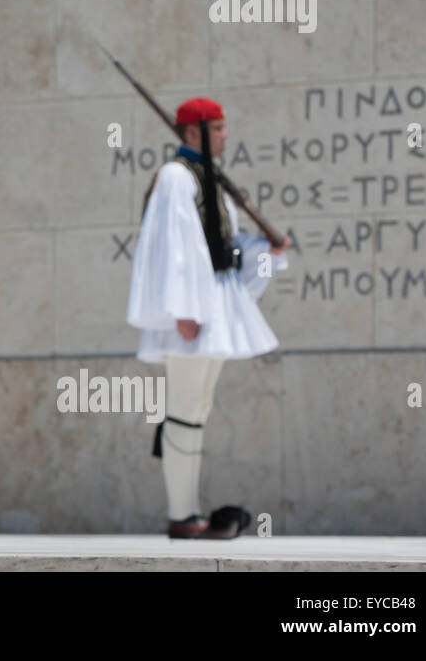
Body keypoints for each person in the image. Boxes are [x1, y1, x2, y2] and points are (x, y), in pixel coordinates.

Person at [126, 97, 289, 539]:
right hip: (191, 310)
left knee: (197, 406)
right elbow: (170, 248)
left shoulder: (208, 179)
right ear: (193, 132)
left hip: (210, 304)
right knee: (183, 406)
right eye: (217, 128)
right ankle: (182, 515)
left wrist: (263, 250)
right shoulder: (177, 177)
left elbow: (221, 247)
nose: (225, 135)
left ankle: (188, 510)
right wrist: (183, 310)